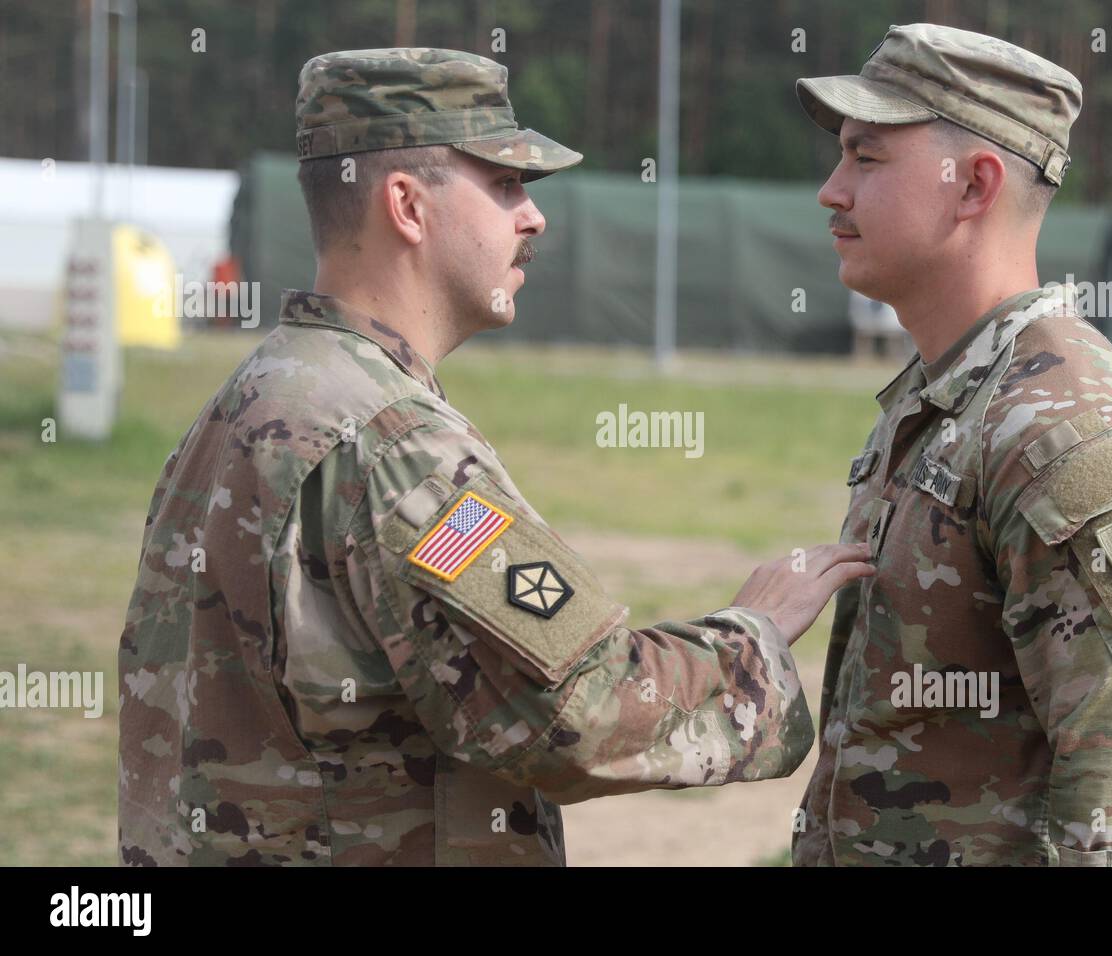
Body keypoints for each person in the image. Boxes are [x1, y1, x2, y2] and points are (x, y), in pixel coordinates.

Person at [118, 47, 873, 867]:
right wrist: (750, 639)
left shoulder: (255, 395)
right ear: (406, 206)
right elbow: (574, 717)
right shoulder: (392, 444)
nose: (533, 217)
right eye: (506, 184)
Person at [790, 23, 1112, 866]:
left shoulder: (1067, 433)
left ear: (973, 185)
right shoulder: (951, 395)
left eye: (866, 158)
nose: (830, 191)